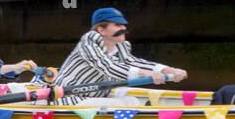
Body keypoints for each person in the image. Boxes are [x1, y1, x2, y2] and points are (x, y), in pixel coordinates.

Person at [55, 8, 188, 107]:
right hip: (68, 98)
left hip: (95, 98)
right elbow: (109, 67)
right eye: (117, 25)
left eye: (123, 25)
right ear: (101, 30)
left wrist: (169, 70)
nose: (124, 28)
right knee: (117, 105)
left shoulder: (121, 46)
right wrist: (149, 74)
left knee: (133, 102)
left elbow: (133, 62)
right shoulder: (89, 42)